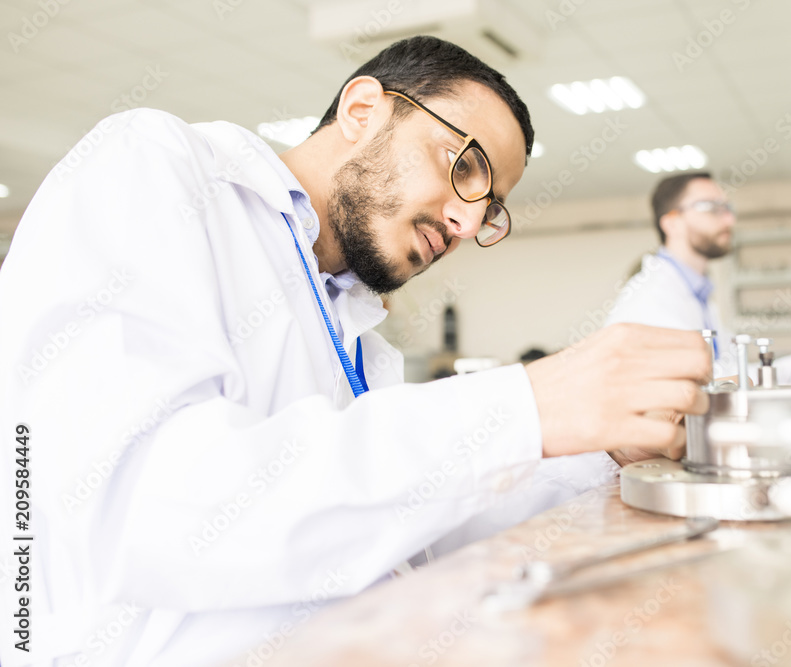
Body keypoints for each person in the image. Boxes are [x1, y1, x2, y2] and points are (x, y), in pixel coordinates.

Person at [0, 37, 710, 666]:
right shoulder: (156, 166)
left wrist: (590, 442)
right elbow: (141, 508)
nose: (466, 221)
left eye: (490, 206)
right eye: (464, 165)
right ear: (363, 110)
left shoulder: (356, 326)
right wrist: (524, 404)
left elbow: (402, 518)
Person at [606, 172, 791, 383]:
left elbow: (727, 368)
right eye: (711, 208)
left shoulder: (697, 291)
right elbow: (701, 381)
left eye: (727, 208)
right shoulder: (652, 297)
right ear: (671, 224)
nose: (728, 220)